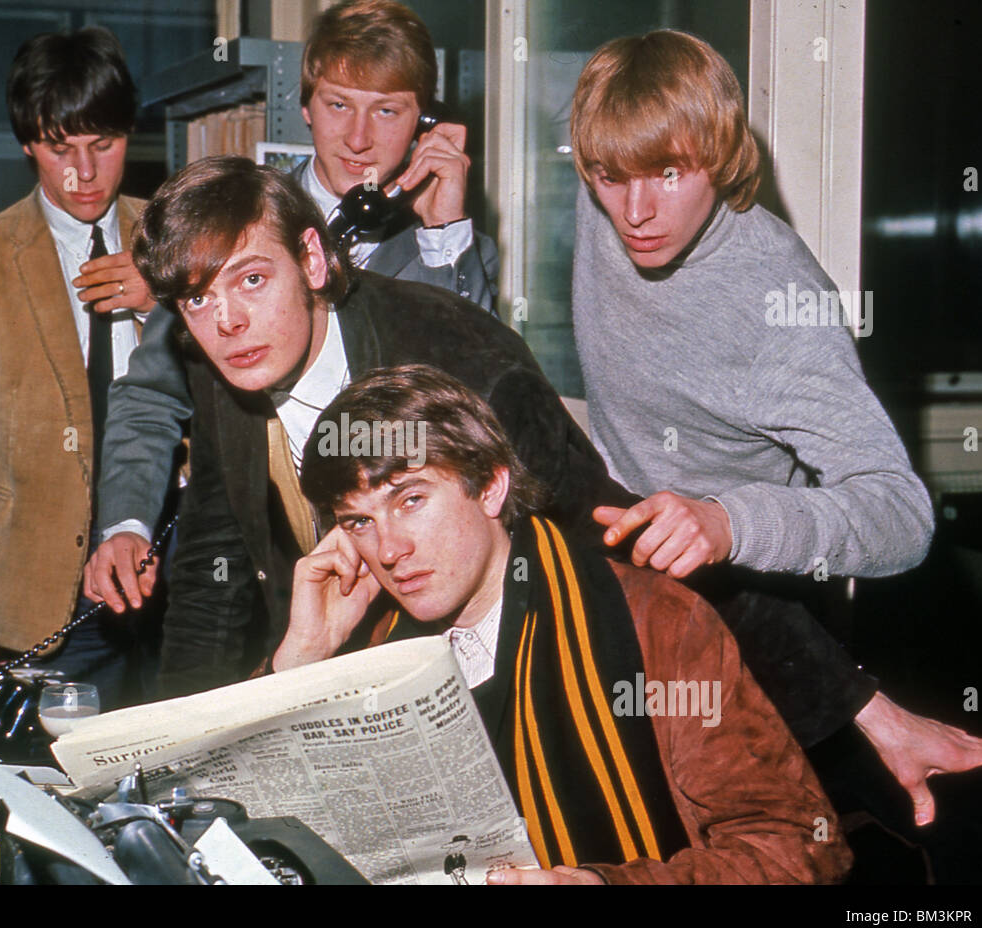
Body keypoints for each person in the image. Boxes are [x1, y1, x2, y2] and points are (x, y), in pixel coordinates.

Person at [567, 29, 982, 856]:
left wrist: (729, 522)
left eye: (669, 174)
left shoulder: (780, 309)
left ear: (724, 152)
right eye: (609, 176)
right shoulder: (615, 194)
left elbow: (901, 514)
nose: (634, 214)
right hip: (613, 555)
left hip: (738, 603)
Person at [269, 364, 852, 884]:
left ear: (491, 485)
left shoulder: (653, 622)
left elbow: (799, 848)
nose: (389, 550)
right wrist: (302, 658)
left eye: (411, 500)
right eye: (360, 522)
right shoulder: (368, 646)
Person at [124, 155, 633, 698]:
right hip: (332, 667)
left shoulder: (464, 360)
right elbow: (212, 575)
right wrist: (179, 749)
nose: (227, 322)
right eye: (198, 299)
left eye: (252, 279)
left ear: (312, 260)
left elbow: (591, 538)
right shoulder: (222, 362)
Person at [85, 0, 499, 614]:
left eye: (386, 111)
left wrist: (445, 240)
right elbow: (149, 398)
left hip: (406, 580)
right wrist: (126, 526)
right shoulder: (226, 226)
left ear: (426, 123)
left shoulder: (453, 246)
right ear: (305, 107)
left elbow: (480, 410)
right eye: (338, 105)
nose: (359, 139)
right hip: (270, 581)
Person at [0, 27, 187, 707]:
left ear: (131, 135)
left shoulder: (180, 240)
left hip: (185, 591)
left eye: (105, 146)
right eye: (61, 150)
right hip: (46, 607)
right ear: (29, 143)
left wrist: (167, 299)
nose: (84, 174)